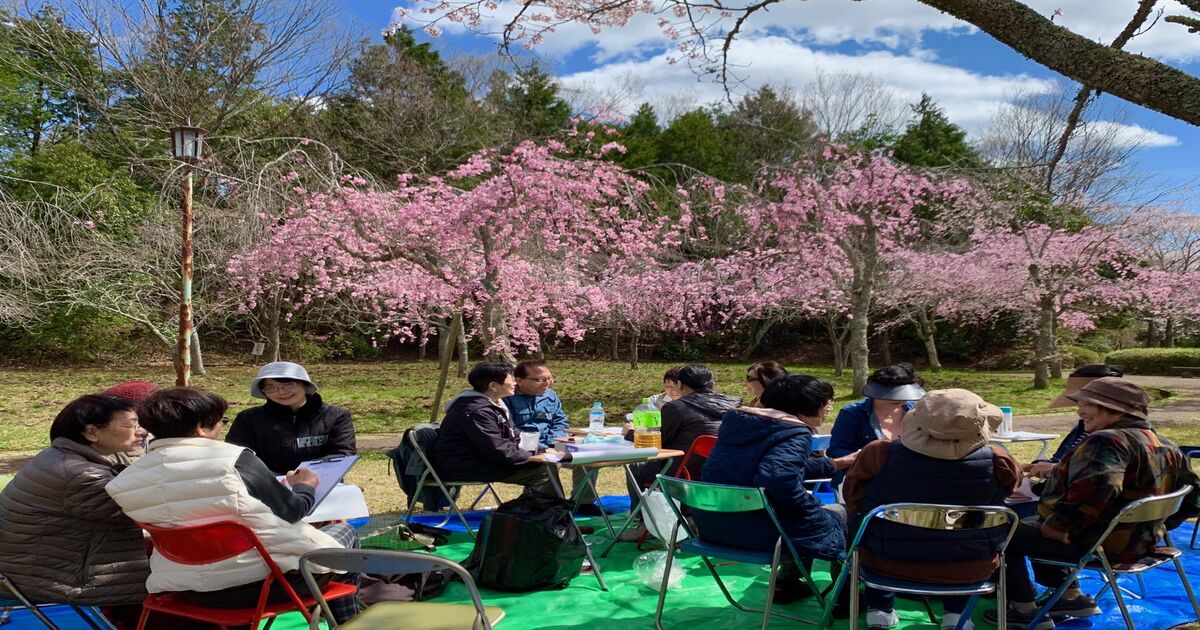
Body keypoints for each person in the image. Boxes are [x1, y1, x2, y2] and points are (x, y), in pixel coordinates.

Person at [105, 388, 359, 622]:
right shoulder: (233, 459)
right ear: (200, 428)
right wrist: (305, 485)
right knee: (345, 539)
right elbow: (293, 510)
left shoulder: (126, 480)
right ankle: (348, 623)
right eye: (220, 422)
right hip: (265, 584)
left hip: (186, 589)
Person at [995, 377, 1190, 629]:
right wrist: (1156, 524)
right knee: (1035, 522)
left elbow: (1101, 486)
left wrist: (1060, 525)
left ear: (1115, 409)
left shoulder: (1107, 441)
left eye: (1087, 404)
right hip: (1141, 543)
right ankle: (1069, 597)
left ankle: (1021, 608)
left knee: (999, 530)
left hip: (1099, 543)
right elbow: (1192, 496)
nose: (1079, 410)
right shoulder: (1166, 445)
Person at [843, 389, 1021, 630]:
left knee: (865, 523)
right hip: (971, 566)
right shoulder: (998, 460)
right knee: (962, 543)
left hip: (886, 561)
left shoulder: (878, 453)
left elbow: (853, 496)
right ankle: (957, 616)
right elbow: (1011, 490)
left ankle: (880, 611)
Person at [698, 375, 857, 603]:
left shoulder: (740, 424)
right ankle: (846, 596)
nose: (828, 409)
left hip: (713, 526)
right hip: (760, 535)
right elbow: (778, 478)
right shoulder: (794, 431)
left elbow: (770, 468)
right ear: (809, 405)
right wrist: (810, 507)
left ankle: (787, 584)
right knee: (843, 513)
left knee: (797, 511)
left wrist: (834, 464)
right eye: (827, 402)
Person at [0, 395, 151, 623]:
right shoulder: (82, 475)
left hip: (32, 568)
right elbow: (150, 511)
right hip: (50, 578)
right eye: (131, 425)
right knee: (182, 578)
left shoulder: (60, 457)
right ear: (91, 433)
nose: (142, 432)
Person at [431, 362, 556, 497]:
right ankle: (545, 513)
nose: (515, 383)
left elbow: (514, 434)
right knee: (543, 470)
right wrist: (532, 457)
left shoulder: (493, 404)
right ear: (493, 386)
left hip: (483, 458)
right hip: (464, 465)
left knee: (548, 464)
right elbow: (496, 448)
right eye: (511, 380)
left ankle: (542, 510)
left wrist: (541, 450)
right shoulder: (475, 411)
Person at [504, 360, 601, 514]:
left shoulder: (549, 395)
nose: (547, 383)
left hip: (553, 443)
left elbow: (559, 421)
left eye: (549, 378)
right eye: (540, 379)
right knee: (548, 464)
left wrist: (553, 442)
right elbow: (510, 429)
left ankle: (583, 502)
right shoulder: (506, 398)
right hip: (526, 448)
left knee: (587, 456)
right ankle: (554, 509)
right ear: (519, 381)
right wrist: (542, 447)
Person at [226, 361, 356, 474]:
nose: (281, 392)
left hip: (322, 484)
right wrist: (274, 481)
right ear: (263, 391)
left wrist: (307, 478)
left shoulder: (336, 416)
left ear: (305, 385)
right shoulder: (248, 419)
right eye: (270, 387)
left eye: (288, 384)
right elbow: (239, 458)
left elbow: (342, 454)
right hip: (267, 488)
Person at [1022, 363, 1124, 480]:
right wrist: (1032, 466)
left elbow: (1102, 478)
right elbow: (1060, 459)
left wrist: (1055, 469)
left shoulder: (1116, 439)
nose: (1080, 412)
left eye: (1089, 404)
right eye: (1079, 404)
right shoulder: (1084, 426)